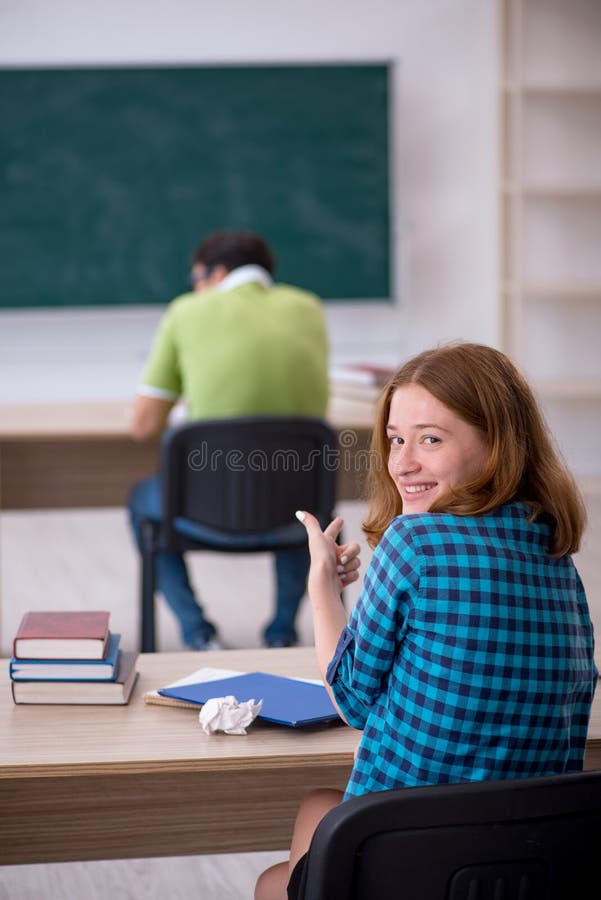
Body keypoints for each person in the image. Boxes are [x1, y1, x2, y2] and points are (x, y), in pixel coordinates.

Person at [255, 341, 598, 900]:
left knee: (274, 881)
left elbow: (354, 700)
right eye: (396, 439)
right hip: (527, 863)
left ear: (497, 445)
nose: (402, 462)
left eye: (430, 440)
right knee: (320, 806)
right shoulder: (555, 553)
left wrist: (321, 591)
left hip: (417, 858)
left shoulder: (413, 542)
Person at [128, 229, 329, 650]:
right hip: (291, 506)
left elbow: (144, 424)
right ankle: (281, 634)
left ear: (215, 273)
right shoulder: (308, 308)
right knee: (300, 504)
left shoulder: (187, 312)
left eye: (195, 278)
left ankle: (197, 633)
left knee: (141, 503)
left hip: (203, 509)